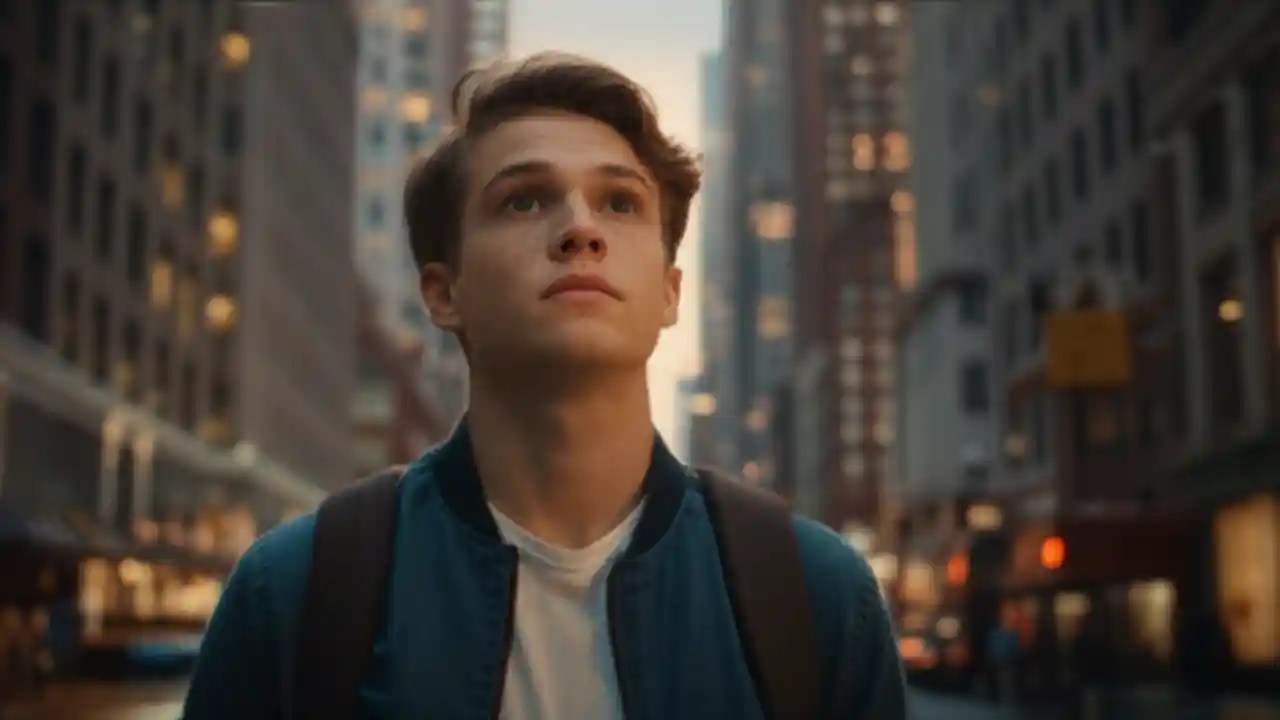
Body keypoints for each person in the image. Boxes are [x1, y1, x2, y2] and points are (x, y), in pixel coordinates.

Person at [182, 52, 905, 719]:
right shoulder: (295, 592)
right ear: (444, 292)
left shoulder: (816, 595)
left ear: (669, 293)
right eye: (524, 201)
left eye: (620, 203)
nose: (580, 229)